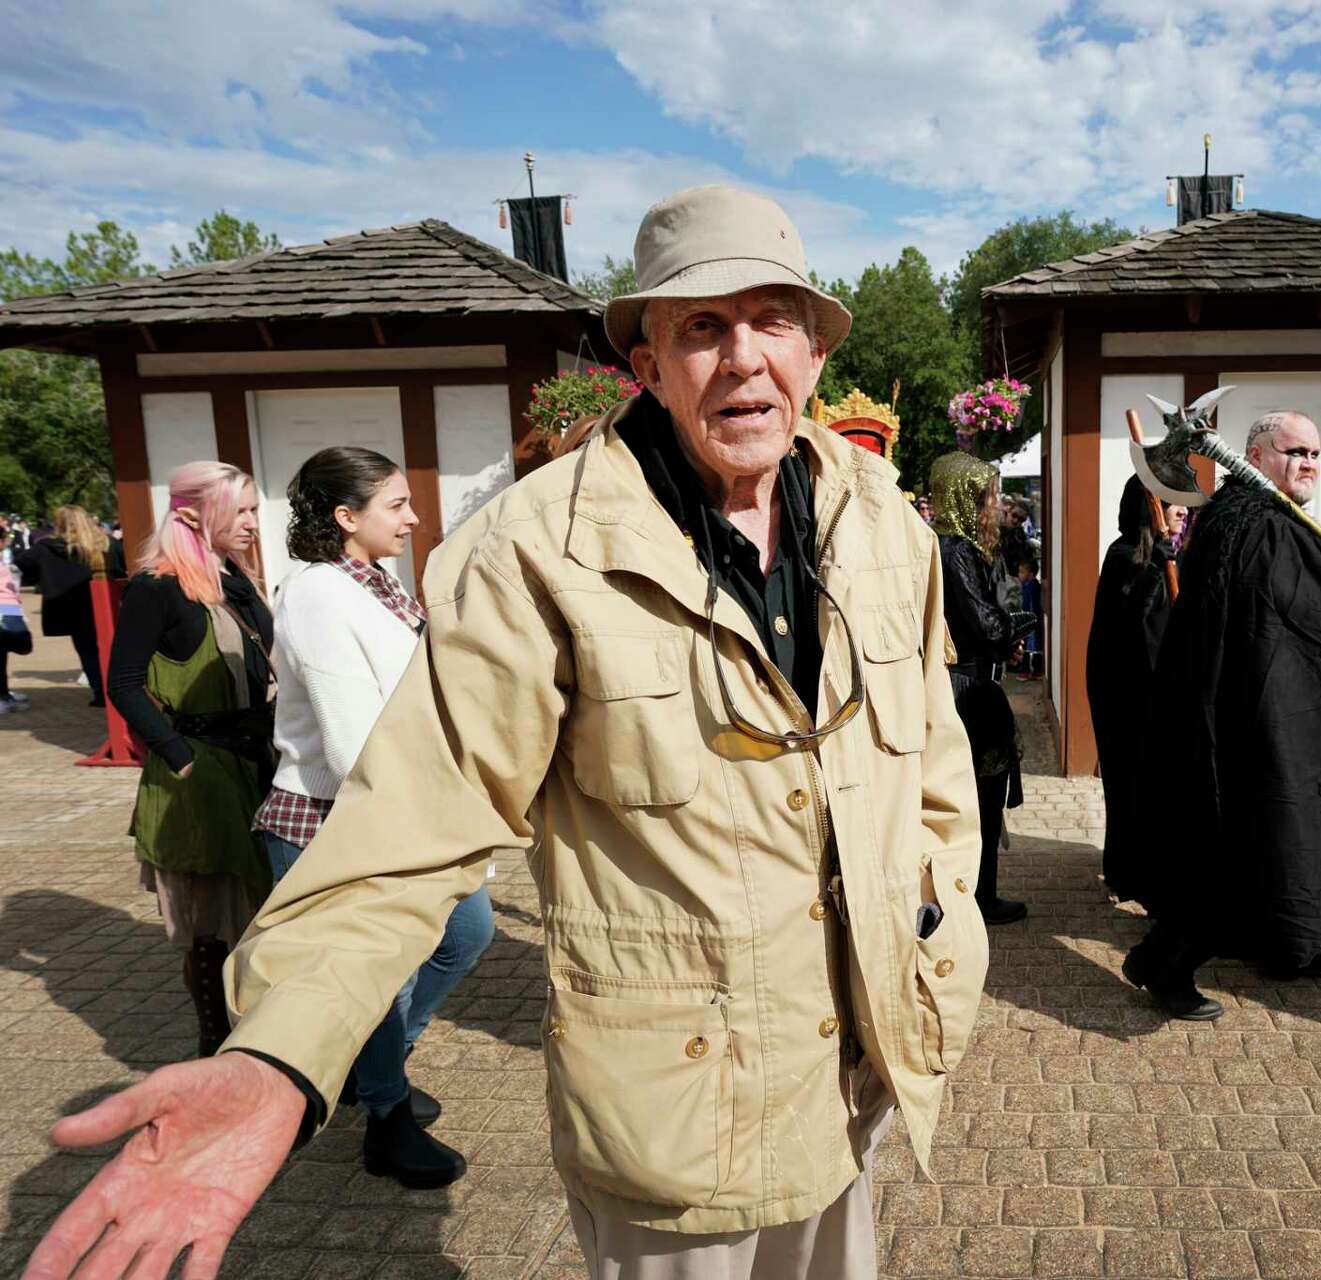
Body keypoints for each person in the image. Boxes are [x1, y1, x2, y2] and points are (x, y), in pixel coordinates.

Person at [28, 186, 988, 1280]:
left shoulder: (882, 520)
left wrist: (942, 922)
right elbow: (409, 823)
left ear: (815, 352)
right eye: (702, 326)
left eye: (773, 320)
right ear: (648, 363)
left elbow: (934, 763)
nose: (743, 358)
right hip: (687, 1117)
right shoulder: (534, 551)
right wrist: (279, 1055)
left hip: (863, 1063)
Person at [259, 446, 494, 1189]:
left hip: (397, 805)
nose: (413, 517)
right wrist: (438, 812)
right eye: (396, 505)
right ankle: (386, 1122)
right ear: (345, 516)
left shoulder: (374, 582)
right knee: (378, 975)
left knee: (465, 934)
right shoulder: (318, 594)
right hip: (337, 818)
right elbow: (350, 742)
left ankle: (375, 1069)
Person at [1121, 410, 1321, 1022]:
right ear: (1255, 454)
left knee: (1277, 833)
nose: (1308, 463)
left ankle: (1289, 944)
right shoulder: (1254, 522)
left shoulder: (1263, 514)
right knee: (1224, 839)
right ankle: (1161, 964)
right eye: (1295, 451)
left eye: (1316, 453)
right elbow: (1283, 615)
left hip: (1258, 709)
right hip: (1238, 717)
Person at [104, 462, 275, 1060]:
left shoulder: (236, 579)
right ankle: (215, 1047)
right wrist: (178, 756)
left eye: (253, 510)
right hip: (200, 777)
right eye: (239, 511)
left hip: (255, 763)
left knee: (258, 912)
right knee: (212, 924)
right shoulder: (157, 587)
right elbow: (123, 683)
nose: (252, 523)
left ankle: (262, 1037)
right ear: (191, 514)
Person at [932, 449, 1032, 926]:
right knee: (979, 798)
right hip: (965, 691)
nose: (994, 505)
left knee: (979, 795)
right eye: (988, 496)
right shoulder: (955, 551)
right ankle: (976, 897)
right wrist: (1015, 628)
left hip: (968, 681)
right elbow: (986, 624)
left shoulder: (956, 548)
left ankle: (976, 892)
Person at [1087, 477, 1175, 906]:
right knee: (1129, 784)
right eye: (1171, 504)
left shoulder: (1158, 557)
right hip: (1126, 694)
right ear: (1150, 512)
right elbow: (1137, 627)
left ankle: (1137, 868)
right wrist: (1158, 569)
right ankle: (1128, 873)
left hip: (1146, 690)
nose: (1182, 512)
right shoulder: (1125, 557)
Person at [15, 505, 122, 705]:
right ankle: (121, 691)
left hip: (71, 607)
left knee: (88, 651)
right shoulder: (106, 542)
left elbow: (22, 562)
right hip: (107, 603)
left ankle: (101, 693)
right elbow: (122, 566)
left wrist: (43, 575)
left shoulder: (45, 546)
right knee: (115, 647)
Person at [0, 555, 30, 713]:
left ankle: (4, 693)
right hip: (4, 605)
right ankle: (2, 697)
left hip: (8, 605)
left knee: (4, 651)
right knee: (21, 643)